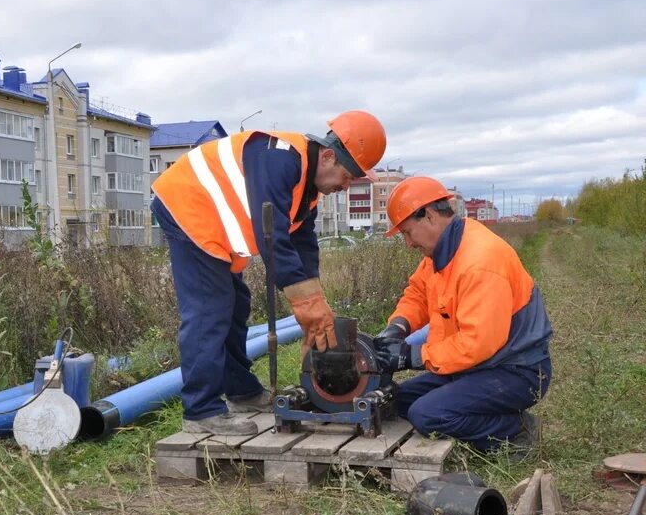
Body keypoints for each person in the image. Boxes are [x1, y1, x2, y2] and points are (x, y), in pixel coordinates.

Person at [151, 111, 387, 435]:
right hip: (188, 208)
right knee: (211, 308)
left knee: (236, 305)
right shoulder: (281, 159)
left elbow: (303, 243)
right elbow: (272, 237)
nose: (346, 187)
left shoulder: (306, 186)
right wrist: (304, 307)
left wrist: (316, 302)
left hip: (211, 225)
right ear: (329, 156)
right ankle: (201, 410)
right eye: (348, 176)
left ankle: (241, 392)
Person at [373, 176, 553, 455]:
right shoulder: (441, 254)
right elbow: (418, 294)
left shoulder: (479, 261)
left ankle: (517, 431)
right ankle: (479, 416)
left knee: (426, 415)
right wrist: (398, 327)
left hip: (516, 370)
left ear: (429, 217)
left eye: (408, 233)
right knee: (396, 400)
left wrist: (414, 356)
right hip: (472, 366)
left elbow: (477, 343)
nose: (408, 243)